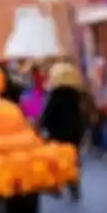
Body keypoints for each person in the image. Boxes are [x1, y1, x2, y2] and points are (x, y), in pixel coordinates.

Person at [38, 62, 87, 202]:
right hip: (75, 131)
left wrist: (41, 125)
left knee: (56, 159)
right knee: (73, 159)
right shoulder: (77, 96)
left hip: (57, 132)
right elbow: (84, 114)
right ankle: (74, 186)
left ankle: (56, 185)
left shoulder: (55, 95)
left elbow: (48, 114)